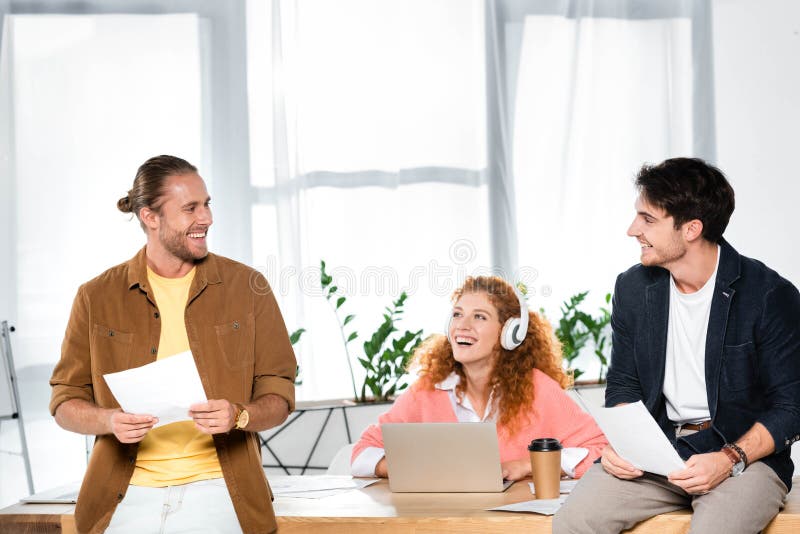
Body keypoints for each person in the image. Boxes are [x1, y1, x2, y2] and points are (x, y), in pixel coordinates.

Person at [49, 155, 296, 533]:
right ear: (150, 217)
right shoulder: (95, 297)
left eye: (207, 204)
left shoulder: (249, 288)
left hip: (220, 490)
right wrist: (108, 420)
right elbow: (64, 401)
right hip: (124, 494)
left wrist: (239, 415)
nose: (207, 218)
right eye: (191, 208)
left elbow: (279, 392)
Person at [553, 157, 800, 533]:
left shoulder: (768, 295)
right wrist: (623, 444)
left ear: (691, 229)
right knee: (574, 522)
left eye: (648, 219)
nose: (632, 229)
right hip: (656, 454)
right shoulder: (633, 288)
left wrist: (730, 457)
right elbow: (623, 384)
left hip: (742, 459)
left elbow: (791, 406)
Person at [351, 275, 607, 481]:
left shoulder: (537, 388)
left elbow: (599, 449)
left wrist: (528, 465)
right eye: (458, 314)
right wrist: (408, 469)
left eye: (479, 316)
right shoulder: (428, 390)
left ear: (510, 332)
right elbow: (364, 451)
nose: (462, 325)